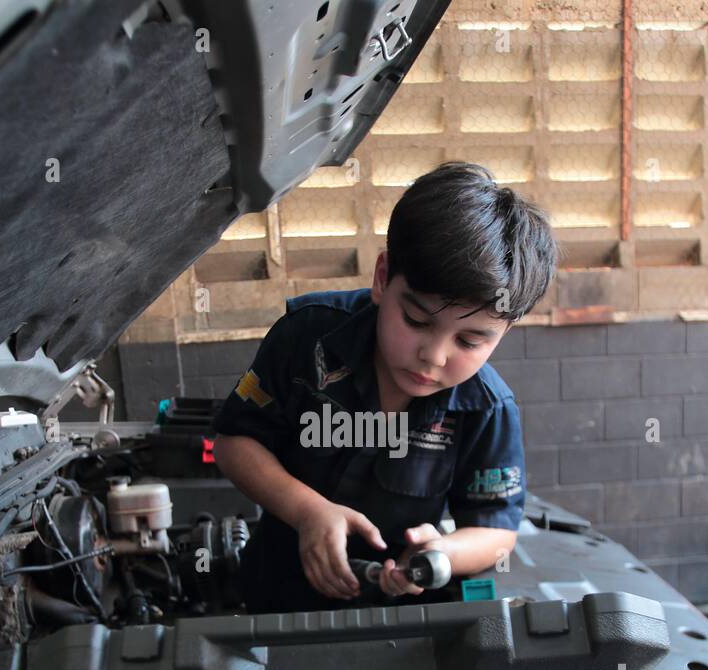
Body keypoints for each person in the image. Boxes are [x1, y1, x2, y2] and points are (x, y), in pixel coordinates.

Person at [212, 161, 556, 613]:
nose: (434, 356)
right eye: (416, 320)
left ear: (505, 331)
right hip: (274, 599)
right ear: (382, 278)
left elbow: (497, 531)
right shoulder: (306, 339)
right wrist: (307, 510)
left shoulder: (486, 408)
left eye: (470, 341)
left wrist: (442, 553)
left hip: (399, 619)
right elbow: (234, 442)